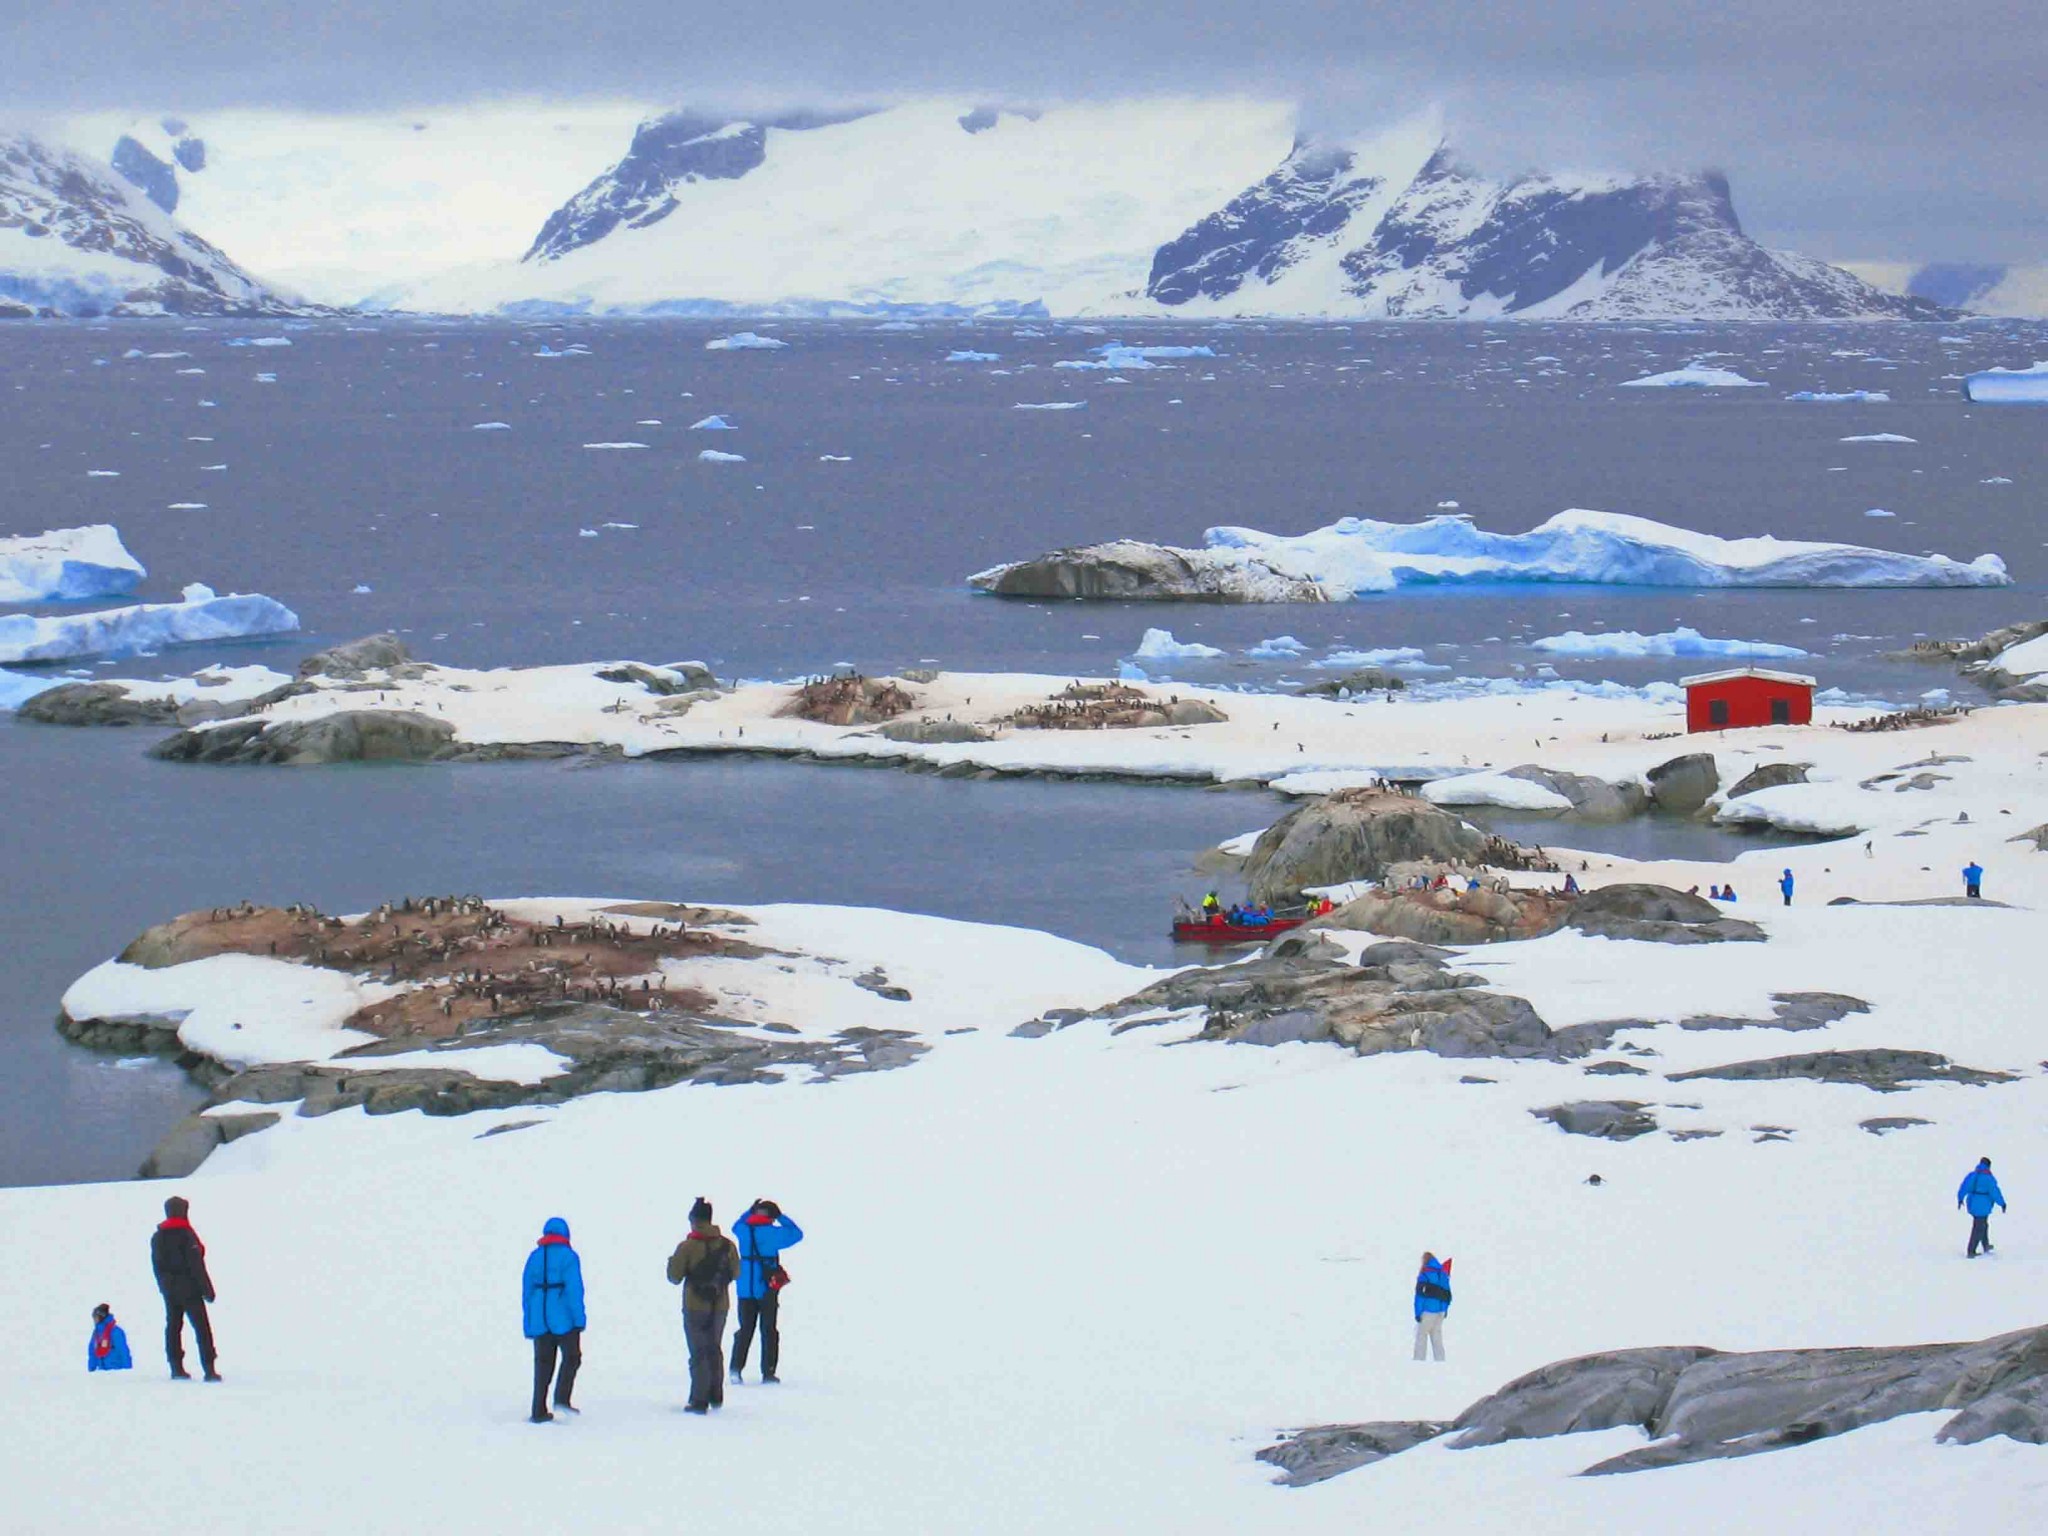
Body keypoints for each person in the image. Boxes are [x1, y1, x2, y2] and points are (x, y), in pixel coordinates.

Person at [666, 1198, 738, 1413]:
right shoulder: (727, 1245)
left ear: (693, 1220)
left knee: (699, 1351)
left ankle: (699, 1400)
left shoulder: (687, 1246)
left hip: (695, 1305)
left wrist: (673, 1261)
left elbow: (674, 1277)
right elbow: (736, 1272)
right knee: (714, 1348)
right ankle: (716, 1395)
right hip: (720, 1304)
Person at [731, 1200, 804, 1386]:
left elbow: (736, 1224)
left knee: (745, 1329)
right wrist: (781, 1216)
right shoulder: (773, 1233)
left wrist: (749, 1210)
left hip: (745, 1288)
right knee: (768, 1330)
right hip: (766, 1288)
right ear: (772, 1217)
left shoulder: (743, 1231)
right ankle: (768, 1372)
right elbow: (797, 1234)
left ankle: (735, 1369)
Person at [521, 1216, 586, 1423]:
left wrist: (529, 1321)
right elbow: (575, 1291)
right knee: (572, 1357)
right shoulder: (569, 1257)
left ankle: (538, 1410)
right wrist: (579, 1319)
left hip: (540, 1317)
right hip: (564, 1317)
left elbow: (527, 1292)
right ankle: (562, 1397)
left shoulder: (534, 1257)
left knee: (542, 1364)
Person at [150, 1196, 218, 1382]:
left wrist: (164, 1286)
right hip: (190, 1289)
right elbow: (196, 1265)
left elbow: (157, 1266)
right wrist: (207, 1290)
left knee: (173, 1326)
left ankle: (176, 1367)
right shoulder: (187, 1235)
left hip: (170, 1290)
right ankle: (209, 1369)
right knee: (202, 1328)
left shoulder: (158, 1236)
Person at [1958, 1158, 2007, 1258]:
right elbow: (1995, 1192)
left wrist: (1960, 1198)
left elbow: (1964, 1187)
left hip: (1972, 1203)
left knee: (1983, 1224)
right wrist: (2002, 1203)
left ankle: (1985, 1245)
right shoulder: (1989, 1178)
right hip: (1983, 1206)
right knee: (1979, 1227)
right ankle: (1971, 1250)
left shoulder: (1972, 1175)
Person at [1413, 1251, 1452, 1361]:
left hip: (1428, 1310)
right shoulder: (1443, 1273)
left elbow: (1420, 1295)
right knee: (1437, 1338)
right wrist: (1444, 1310)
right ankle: (1440, 1361)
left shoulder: (1425, 1273)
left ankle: (1418, 1360)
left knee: (1421, 1335)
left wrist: (1417, 1313)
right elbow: (1448, 1294)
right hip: (1440, 1311)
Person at [87, 1304, 132, 1373]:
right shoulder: (96, 1333)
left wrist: (127, 1370)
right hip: (101, 1372)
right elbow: (92, 1351)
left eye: (96, 1317)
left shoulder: (116, 1332)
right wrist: (91, 1369)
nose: (94, 1320)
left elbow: (123, 1351)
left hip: (117, 1372)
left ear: (102, 1317)